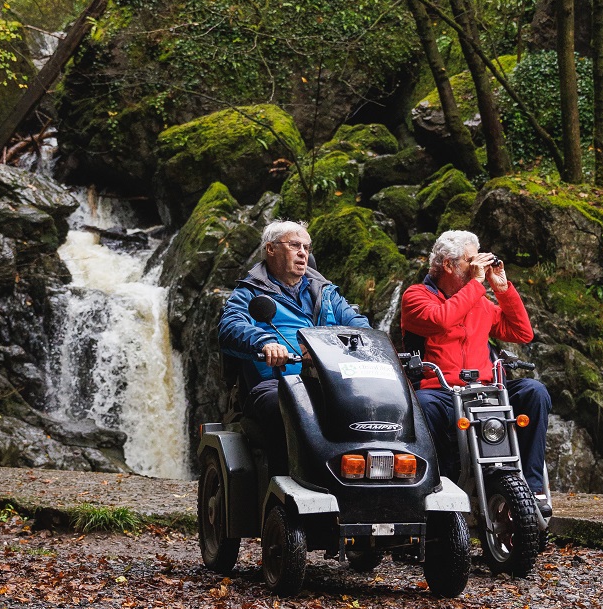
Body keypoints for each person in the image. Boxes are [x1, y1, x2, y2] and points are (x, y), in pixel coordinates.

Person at [401, 230, 552, 516]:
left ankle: (532, 488)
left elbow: (521, 332)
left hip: (484, 390)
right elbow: (442, 320)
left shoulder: (479, 301)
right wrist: (478, 283)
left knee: (535, 392)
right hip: (440, 391)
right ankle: (437, 491)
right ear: (448, 265)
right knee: (424, 407)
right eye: (471, 260)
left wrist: (503, 288)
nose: (478, 266)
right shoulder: (416, 296)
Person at [218, 220, 370, 459]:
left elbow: (359, 325)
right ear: (271, 249)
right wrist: (264, 342)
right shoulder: (249, 292)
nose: (303, 253)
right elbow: (230, 327)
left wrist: (370, 345)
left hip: (331, 383)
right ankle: (287, 480)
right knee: (286, 405)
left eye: (307, 248)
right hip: (276, 383)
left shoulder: (327, 293)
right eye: (295, 245)